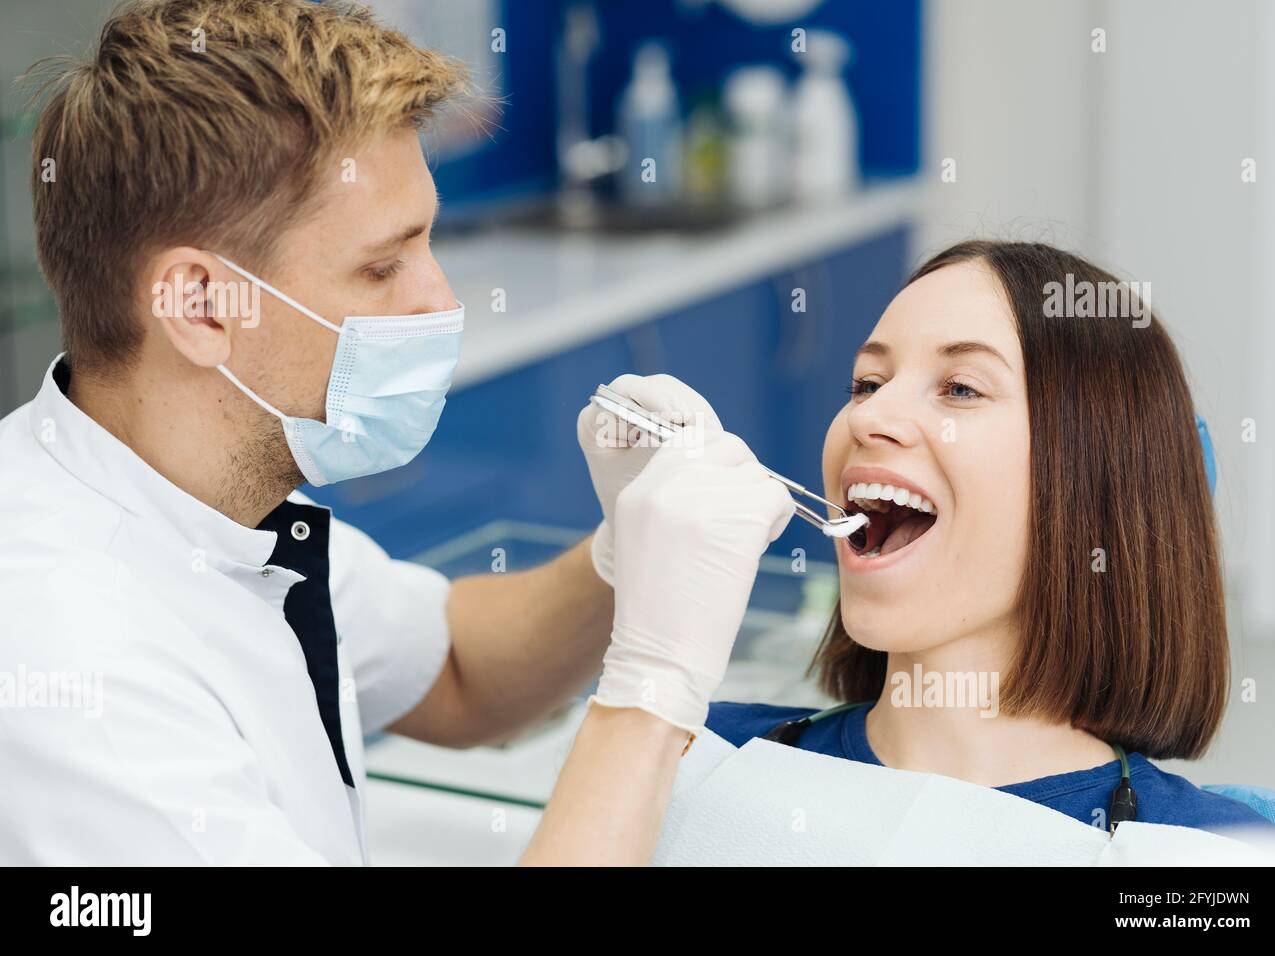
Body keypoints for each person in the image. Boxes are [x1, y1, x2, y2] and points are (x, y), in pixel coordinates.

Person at [0, 0, 793, 865]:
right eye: (383, 266)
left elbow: (453, 671)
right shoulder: (78, 680)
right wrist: (652, 690)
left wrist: (626, 550)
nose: (441, 302)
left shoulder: (213, 499)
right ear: (200, 305)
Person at [707, 240, 1275, 838]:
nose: (866, 417)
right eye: (868, 383)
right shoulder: (694, 750)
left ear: (1097, 481)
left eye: (960, 389)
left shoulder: (1212, 855)